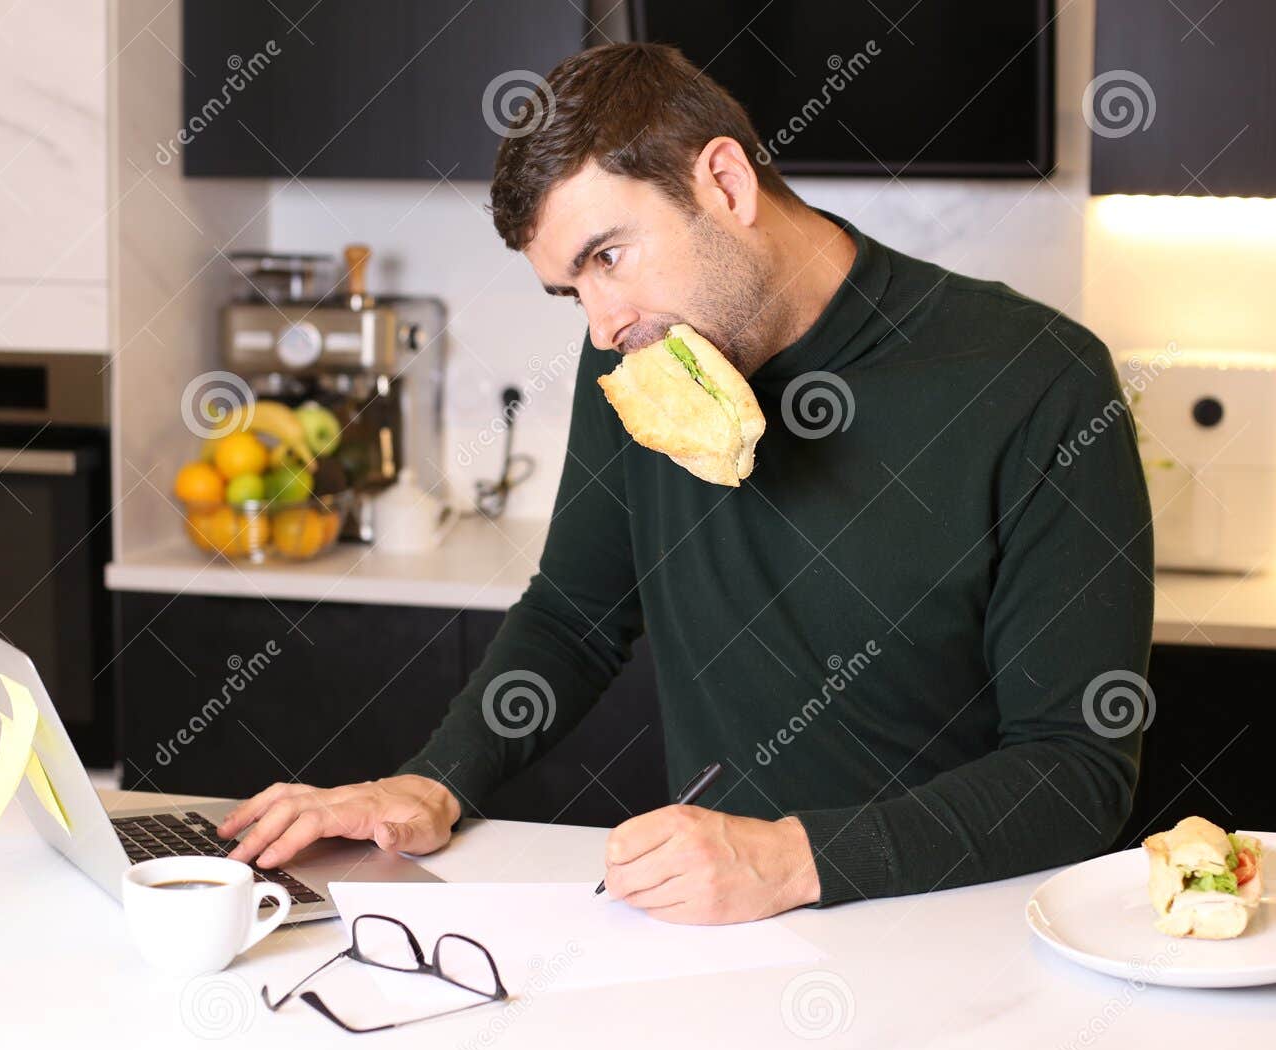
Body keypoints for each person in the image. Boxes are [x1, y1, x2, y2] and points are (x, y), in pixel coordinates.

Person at [219, 43, 1154, 924]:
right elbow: (576, 614)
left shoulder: (1035, 378)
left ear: (726, 182)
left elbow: (1075, 768)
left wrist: (790, 859)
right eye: (571, 289)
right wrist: (433, 781)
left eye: (608, 257)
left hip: (957, 927)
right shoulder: (639, 361)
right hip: (726, 936)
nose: (600, 324)